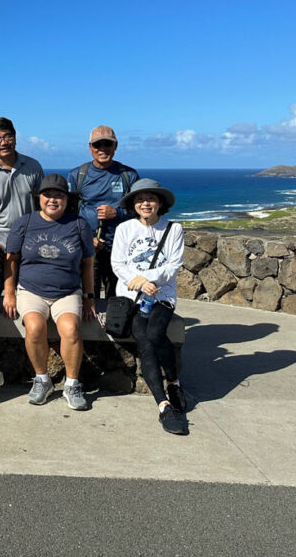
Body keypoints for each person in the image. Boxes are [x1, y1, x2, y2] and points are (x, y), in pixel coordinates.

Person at [3, 174, 95, 409]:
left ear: (67, 199)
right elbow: (11, 260)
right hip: (31, 290)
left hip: (67, 292)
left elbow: (87, 264)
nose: (53, 200)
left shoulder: (78, 224)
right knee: (34, 327)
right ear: (39, 198)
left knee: (71, 329)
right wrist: (9, 292)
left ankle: (72, 383)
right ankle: (42, 379)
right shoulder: (24, 223)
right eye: (48, 194)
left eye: (59, 195)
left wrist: (89, 297)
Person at [110, 178, 187, 435]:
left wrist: (150, 281)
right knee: (144, 338)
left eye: (151, 199)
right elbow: (118, 264)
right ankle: (163, 403)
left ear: (160, 203)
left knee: (154, 333)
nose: (146, 203)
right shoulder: (124, 229)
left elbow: (173, 265)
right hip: (131, 296)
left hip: (162, 295)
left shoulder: (173, 229)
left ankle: (174, 382)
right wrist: (140, 283)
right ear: (133, 204)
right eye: (140, 199)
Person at [68, 126, 139, 299]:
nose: (102, 149)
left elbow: (141, 212)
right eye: (97, 145)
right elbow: (67, 214)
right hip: (88, 247)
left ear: (116, 146)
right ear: (90, 147)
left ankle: (114, 326)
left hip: (121, 249)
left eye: (107, 144)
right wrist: (84, 239)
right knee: (87, 295)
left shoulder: (128, 175)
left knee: (117, 297)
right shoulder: (78, 175)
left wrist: (117, 213)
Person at [0, 117, 44, 284]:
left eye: (8, 137)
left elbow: (43, 206)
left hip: (28, 243)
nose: (3, 142)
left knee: (26, 294)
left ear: (15, 138)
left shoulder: (32, 167)